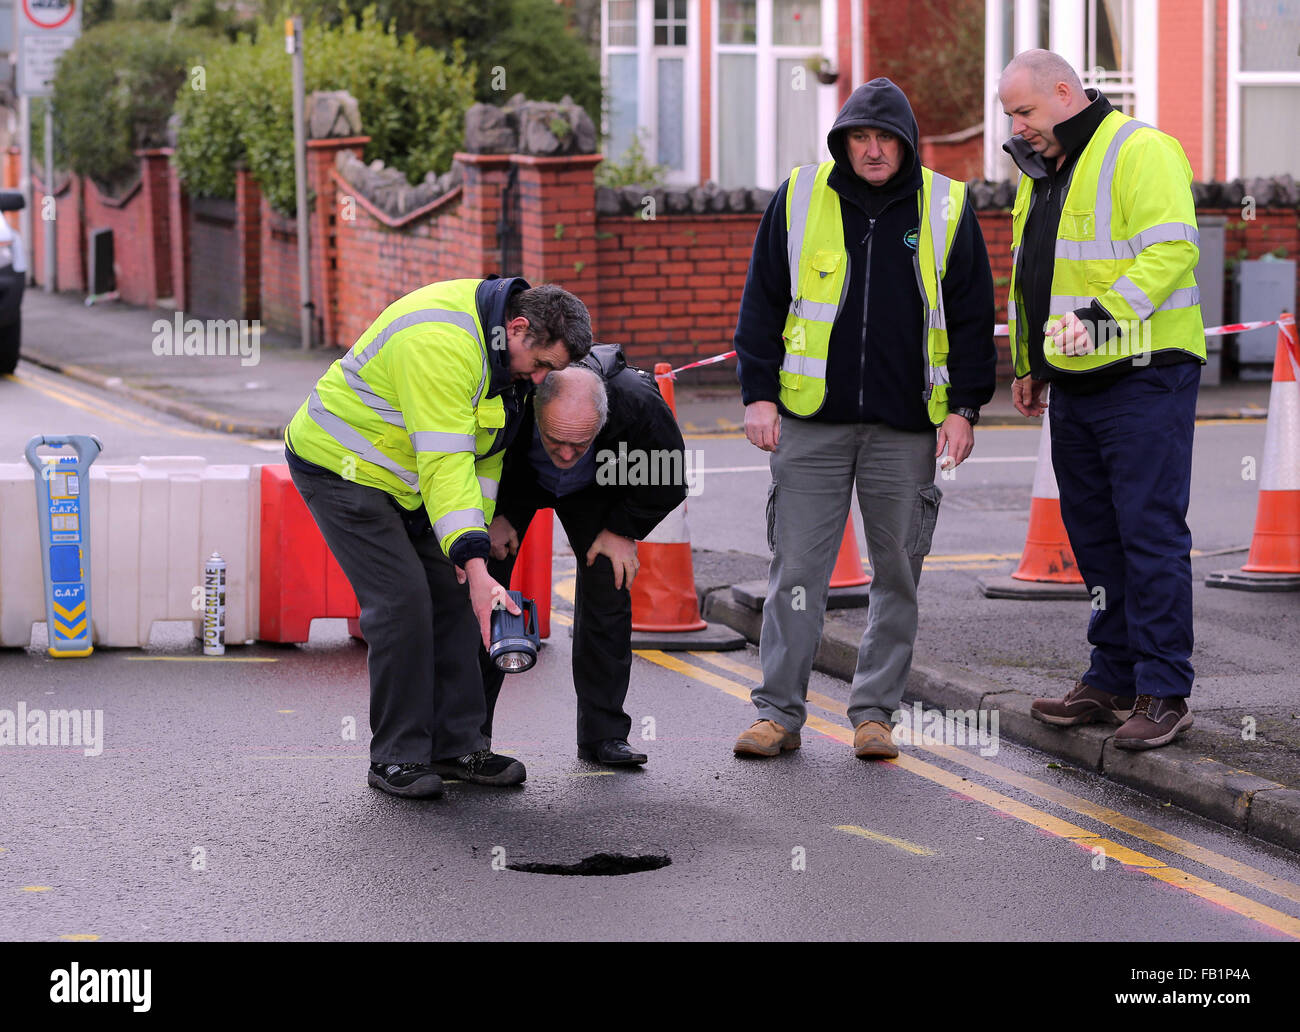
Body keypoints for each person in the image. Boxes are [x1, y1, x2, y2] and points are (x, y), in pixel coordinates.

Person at [732, 77, 997, 760]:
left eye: (886, 138)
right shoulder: (798, 196)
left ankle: (874, 714)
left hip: (907, 426)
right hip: (811, 420)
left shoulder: (946, 204)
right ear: (842, 141)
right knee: (796, 573)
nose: (873, 150)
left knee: (897, 574)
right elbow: (761, 303)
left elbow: (971, 317)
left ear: (906, 145)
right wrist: (757, 395)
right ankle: (778, 715)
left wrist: (965, 408)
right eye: (860, 137)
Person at [283, 277, 592, 798]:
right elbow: (446, 465)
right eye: (540, 365)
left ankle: (457, 747)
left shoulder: (506, 361)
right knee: (402, 603)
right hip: (343, 468)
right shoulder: (441, 344)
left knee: (455, 596)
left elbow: (485, 457)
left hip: (410, 478)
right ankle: (396, 759)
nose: (541, 380)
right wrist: (473, 563)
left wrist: (477, 540)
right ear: (517, 328)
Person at [999, 50, 1205, 749]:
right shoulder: (1045, 173)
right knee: (1096, 536)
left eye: (1024, 111)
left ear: (1064, 92)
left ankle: (1164, 690)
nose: (1018, 126)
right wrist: (1032, 362)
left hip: (1145, 375)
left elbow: (1172, 251)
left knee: (1147, 532)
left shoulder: (1140, 150)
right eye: (1012, 116)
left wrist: (1096, 322)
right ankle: (1112, 674)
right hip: (1077, 382)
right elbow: (1034, 276)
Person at [481, 345, 688, 765]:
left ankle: (604, 735)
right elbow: (468, 456)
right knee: (483, 588)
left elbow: (666, 479)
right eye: (556, 439)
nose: (566, 454)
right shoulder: (511, 391)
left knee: (609, 587)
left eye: (580, 442)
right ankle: (467, 736)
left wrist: (622, 529)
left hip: (597, 488)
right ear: (537, 407)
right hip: (517, 481)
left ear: (604, 418)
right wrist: (492, 513)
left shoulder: (637, 403)